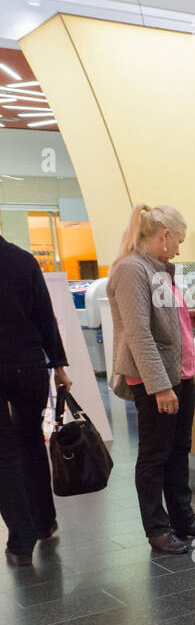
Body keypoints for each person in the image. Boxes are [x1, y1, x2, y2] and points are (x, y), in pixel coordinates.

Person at [107, 204, 195, 555]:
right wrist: (160, 386)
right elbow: (138, 333)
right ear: (164, 235)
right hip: (155, 380)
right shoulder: (131, 270)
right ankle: (157, 529)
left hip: (179, 373)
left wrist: (185, 317)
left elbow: (157, 318)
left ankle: (183, 518)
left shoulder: (157, 269)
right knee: (154, 455)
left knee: (178, 449)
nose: (179, 248)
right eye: (179, 241)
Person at [0, 233, 72, 566]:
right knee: (30, 440)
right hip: (28, 363)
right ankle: (44, 520)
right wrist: (59, 365)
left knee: (4, 452)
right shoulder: (23, 259)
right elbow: (45, 315)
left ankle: (20, 541)